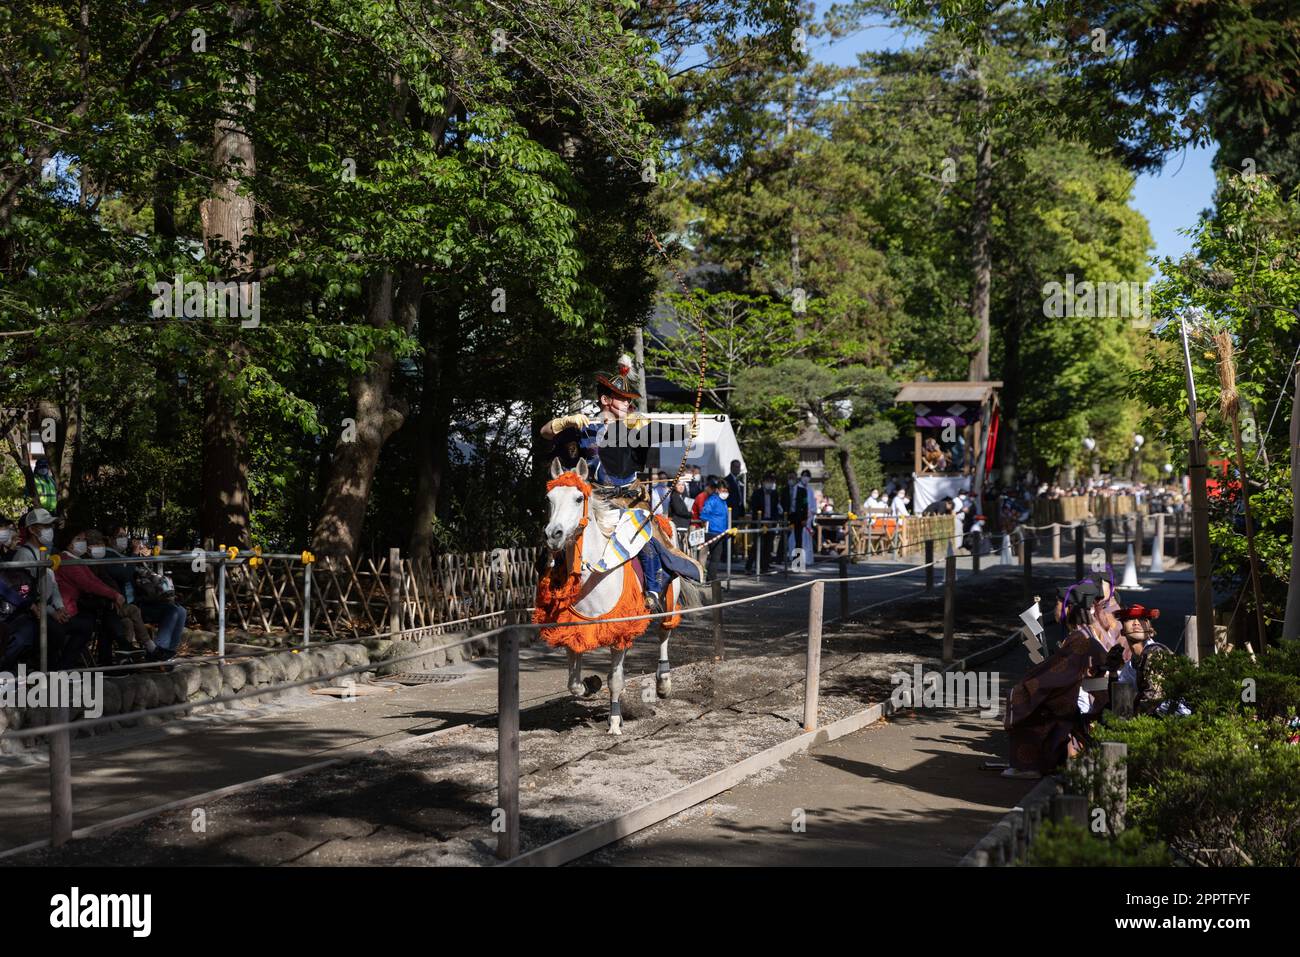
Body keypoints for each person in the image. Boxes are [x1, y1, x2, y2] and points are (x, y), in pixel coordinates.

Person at [539, 355, 700, 612]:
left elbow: (665, 430)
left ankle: (653, 589)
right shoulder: (585, 427)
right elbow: (545, 433)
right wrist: (564, 421)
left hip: (630, 499)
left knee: (645, 536)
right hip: (595, 501)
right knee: (558, 533)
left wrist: (686, 430)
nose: (627, 404)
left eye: (628, 400)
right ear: (605, 400)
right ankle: (552, 592)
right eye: (622, 399)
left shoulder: (635, 428)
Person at [1004, 594, 1112, 778]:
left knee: (1025, 697)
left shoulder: (1080, 637)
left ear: (1069, 610)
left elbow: (1061, 672)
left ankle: (1031, 766)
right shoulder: (1085, 634)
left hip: (1077, 693)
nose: (1057, 608)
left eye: (1059, 604)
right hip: (1084, 689)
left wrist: (1032, 682)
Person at [55, 528, 127, 666]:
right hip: (67, 610)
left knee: (103, 616)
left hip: (76, 607)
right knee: (90, 624)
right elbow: (88, 584)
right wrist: (114, 594)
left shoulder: (75, 559)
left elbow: (94, 580)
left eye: (83, 540)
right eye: (78, 540)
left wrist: (114, 594)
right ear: (68, 543)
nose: (82, 543)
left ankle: (120, 651)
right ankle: (65, 666)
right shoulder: (67, 561)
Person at [747, 474, 783, 573]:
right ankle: (749, 567)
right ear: (763, 482)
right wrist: (761, 522)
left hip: (770, 523)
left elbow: (775, 509)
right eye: (767, 481)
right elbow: (754, 508)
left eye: (771, 481)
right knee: (757, 546)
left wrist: (773, 521)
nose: (769, 483)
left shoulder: (775, 494)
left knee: (768, 546)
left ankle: (764, 567)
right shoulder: (757, 493)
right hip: (759, 522)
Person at [699, 482, 730, 576]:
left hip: (721, 532)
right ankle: (711, 578)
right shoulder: (712, 500)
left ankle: (711, 577)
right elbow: (704, 514)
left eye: (726, 491)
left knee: (716, 558)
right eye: (723, 490)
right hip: (712, 532)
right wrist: (706, 526)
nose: (725, 493)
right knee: (714, 558)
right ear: (717, 490)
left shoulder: (723, 501)